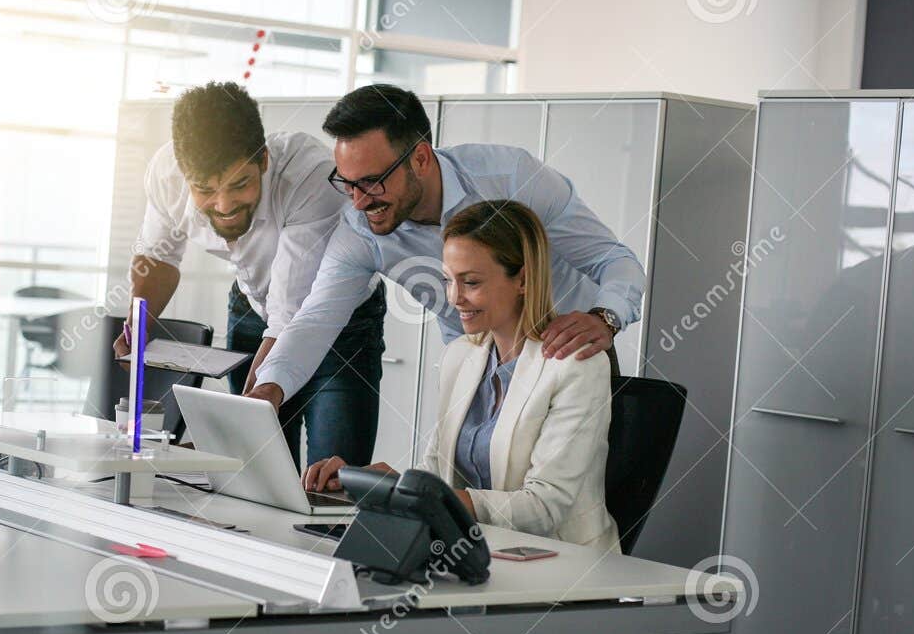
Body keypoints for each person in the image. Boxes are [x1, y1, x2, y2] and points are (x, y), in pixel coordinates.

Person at [247, 83, 643, 434]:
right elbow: (317, 317)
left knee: (547, 497)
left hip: (567, 351)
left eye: (371, 182)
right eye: (347, 183)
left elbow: (615, 260)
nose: (359, 200)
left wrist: (604, 317)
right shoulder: (359, 227)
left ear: (420, 158)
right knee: (465, 480)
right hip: (472, 363)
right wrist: (270, 387)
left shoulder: (510, 177)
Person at [303, 199, 618, 552]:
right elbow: (438, 472)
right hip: (475, 548)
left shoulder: (576, 366)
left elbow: (543, 508)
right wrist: (386, 482)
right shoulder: (461, 356)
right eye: (448, 280)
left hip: (560, 561)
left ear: (524, 280)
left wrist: (419, 494)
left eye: (470, 282)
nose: (455, 298)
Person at [122, 81, 385, 466]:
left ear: (263, 159)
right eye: (205, 190)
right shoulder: (167, 173)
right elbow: (157, 258)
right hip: (250, 309)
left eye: (240, 184)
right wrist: (138, 323)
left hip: (341, 326)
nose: (224, 204)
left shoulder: (311, 176)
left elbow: (290, 313)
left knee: (331, 477)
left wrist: (255, 401)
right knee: (257, 466)